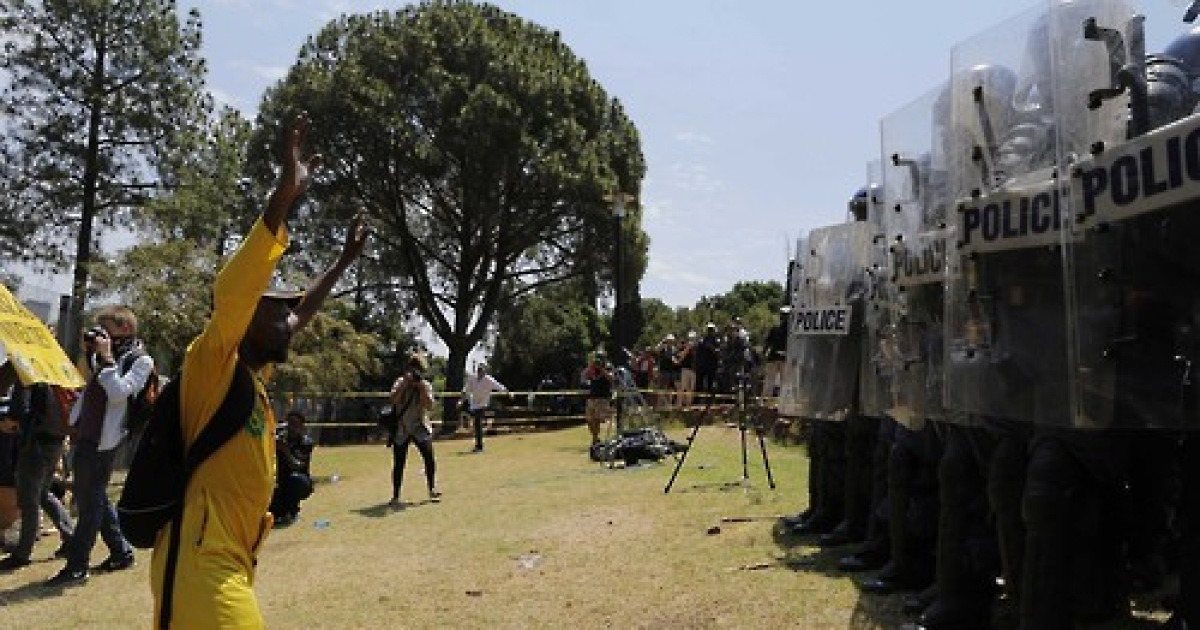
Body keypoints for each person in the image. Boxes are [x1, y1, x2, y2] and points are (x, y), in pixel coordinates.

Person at [148, 113, 368, 628]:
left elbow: (303, 315)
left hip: (231, 562)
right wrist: (283, 199)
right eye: (277, 310)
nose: (290, 319)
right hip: (203, 565)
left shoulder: (252, 381)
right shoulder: (212, 363)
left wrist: (341, 264)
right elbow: (236, 289)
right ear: (246, 318)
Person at [45, 305, 153, 586]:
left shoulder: (141, 361)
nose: (103, 336)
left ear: (125, 329)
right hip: (86, 434)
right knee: (95, 497)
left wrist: (105, 358)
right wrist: (94, 354)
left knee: (89, 503)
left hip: (106, 440)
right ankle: (121, 552)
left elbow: (118, 393)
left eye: (108, 330)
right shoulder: (105, 356)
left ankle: (77, 566)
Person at [0, 361, 74, 571]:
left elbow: (18, 412)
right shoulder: (53, 368)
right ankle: (71, 537)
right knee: (42, 493)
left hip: (36, 444)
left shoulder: (28, 374)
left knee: (28, 498)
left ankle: (22, 553)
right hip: (56, 441)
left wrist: (8, 423)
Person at [388, 352, 439, 506]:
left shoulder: (425, 385)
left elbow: (429, 405)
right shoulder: (400, 382)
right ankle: (396, 496)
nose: (414, 372)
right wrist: (404, 385)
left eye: (418, 369)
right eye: (412, 369)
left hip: (420, 426)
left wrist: (420, 387)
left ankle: (432, 489)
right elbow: (393, 399)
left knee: (429, 459)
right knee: (399, 463)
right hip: (402, 427)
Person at [269, 411, 314, 527]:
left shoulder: (306, 442)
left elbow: (298, 465)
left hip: (297, 480)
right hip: (278, 479)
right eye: (289, 423)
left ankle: (292, 510)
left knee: (296, 481)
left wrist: (285, 451)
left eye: (295, 424)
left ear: (301, 426)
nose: (291, 427)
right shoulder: (279, 438)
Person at [462, 364, 506, 453]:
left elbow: (499, 386)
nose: (480, 373)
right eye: (479, 371)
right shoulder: (472, 378)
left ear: (484, 372)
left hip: (482, 405)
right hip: (473, 404)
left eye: (481, 371)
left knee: (478, 424)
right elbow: (466, 390)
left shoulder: (488, 380)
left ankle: (479, 446)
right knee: (475, 423)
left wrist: (507, 392)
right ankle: (469, 419)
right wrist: (461, 399)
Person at [581, 352, 614, 444]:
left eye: (600, 358)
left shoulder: (608, 367)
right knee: (589, 420)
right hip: (591, 397)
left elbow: (611, 379)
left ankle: (595, 440)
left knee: (596, 420)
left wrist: (602, 369)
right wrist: (590, 366)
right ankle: (595, 438)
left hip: (602, 398)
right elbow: (584, 377)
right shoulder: (592, 369)